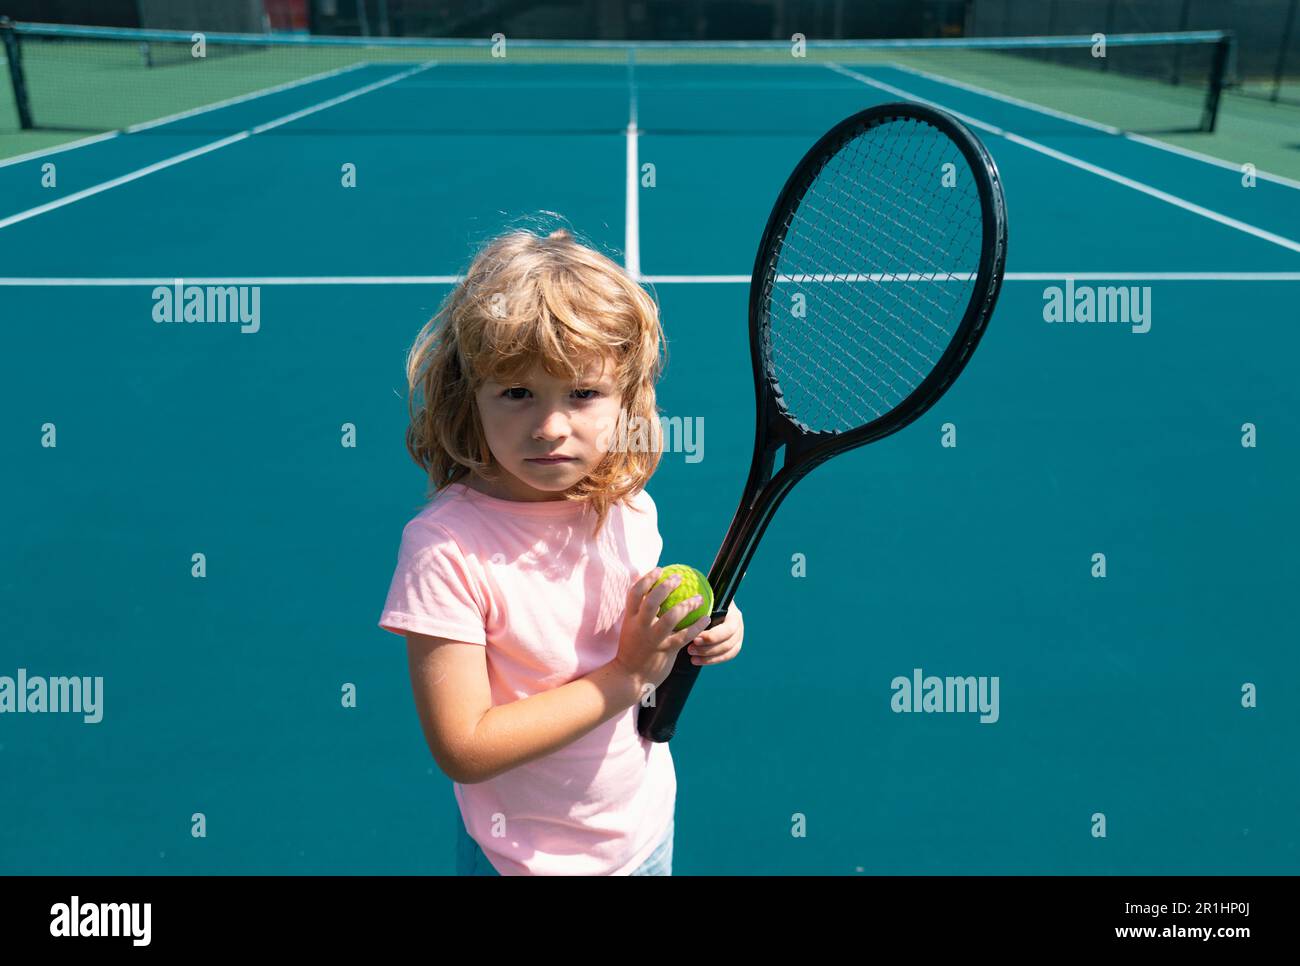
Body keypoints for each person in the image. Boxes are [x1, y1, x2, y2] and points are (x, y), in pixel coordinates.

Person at [378, 226, 745, 875]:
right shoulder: (446, 550)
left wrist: (697, 626)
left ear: (625, 398)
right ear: (471, 396)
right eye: (518, 393)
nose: (551, 427)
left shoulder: (626, 503)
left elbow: (631, 616)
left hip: (641, 831)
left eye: (583, 394)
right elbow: (463, 745)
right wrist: (626, 678)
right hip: (523, 860)